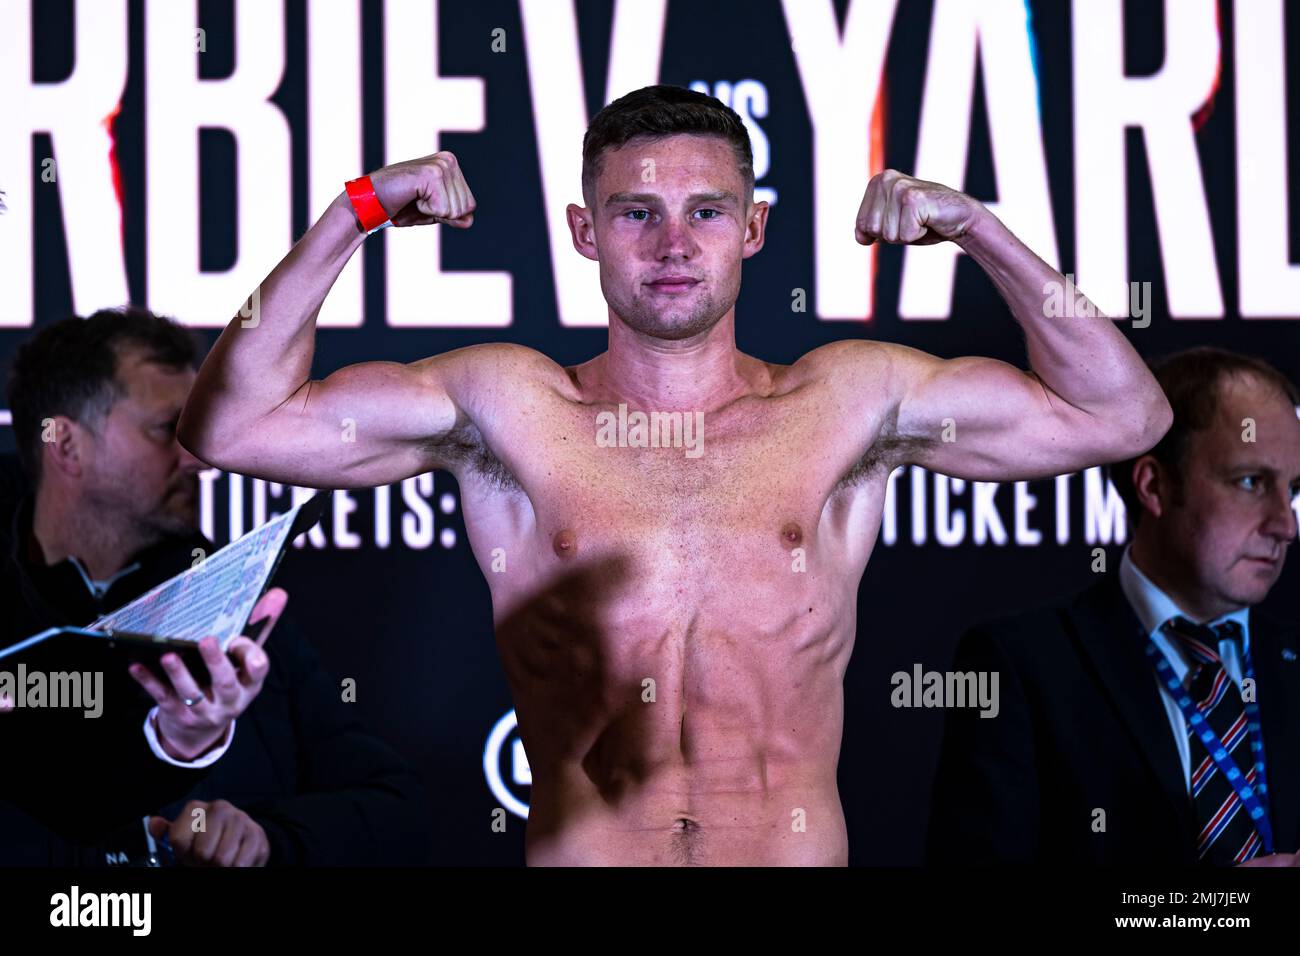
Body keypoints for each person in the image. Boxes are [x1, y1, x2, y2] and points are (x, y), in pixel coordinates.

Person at [177, 84, 1171, 865]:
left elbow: (1124, 415)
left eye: (706, 211)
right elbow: (234, 426)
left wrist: (976, 229)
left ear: (754, 228)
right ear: (584, 232)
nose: (672, 245)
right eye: (634, 213)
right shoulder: (509, 408)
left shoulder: (845, 402)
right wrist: (355, 212)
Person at [2, 308, 431, 866]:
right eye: (168, 429)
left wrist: (267, 839)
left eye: (198, 430)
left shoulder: (234, 605)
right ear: (64, 444)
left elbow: (397, 812)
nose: (198, 458)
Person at [926, 347, 1300, 866]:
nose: (1286, 524)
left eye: (1293, 490)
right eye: (1250, 482)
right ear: (1155, 486)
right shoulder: (1021, 667)